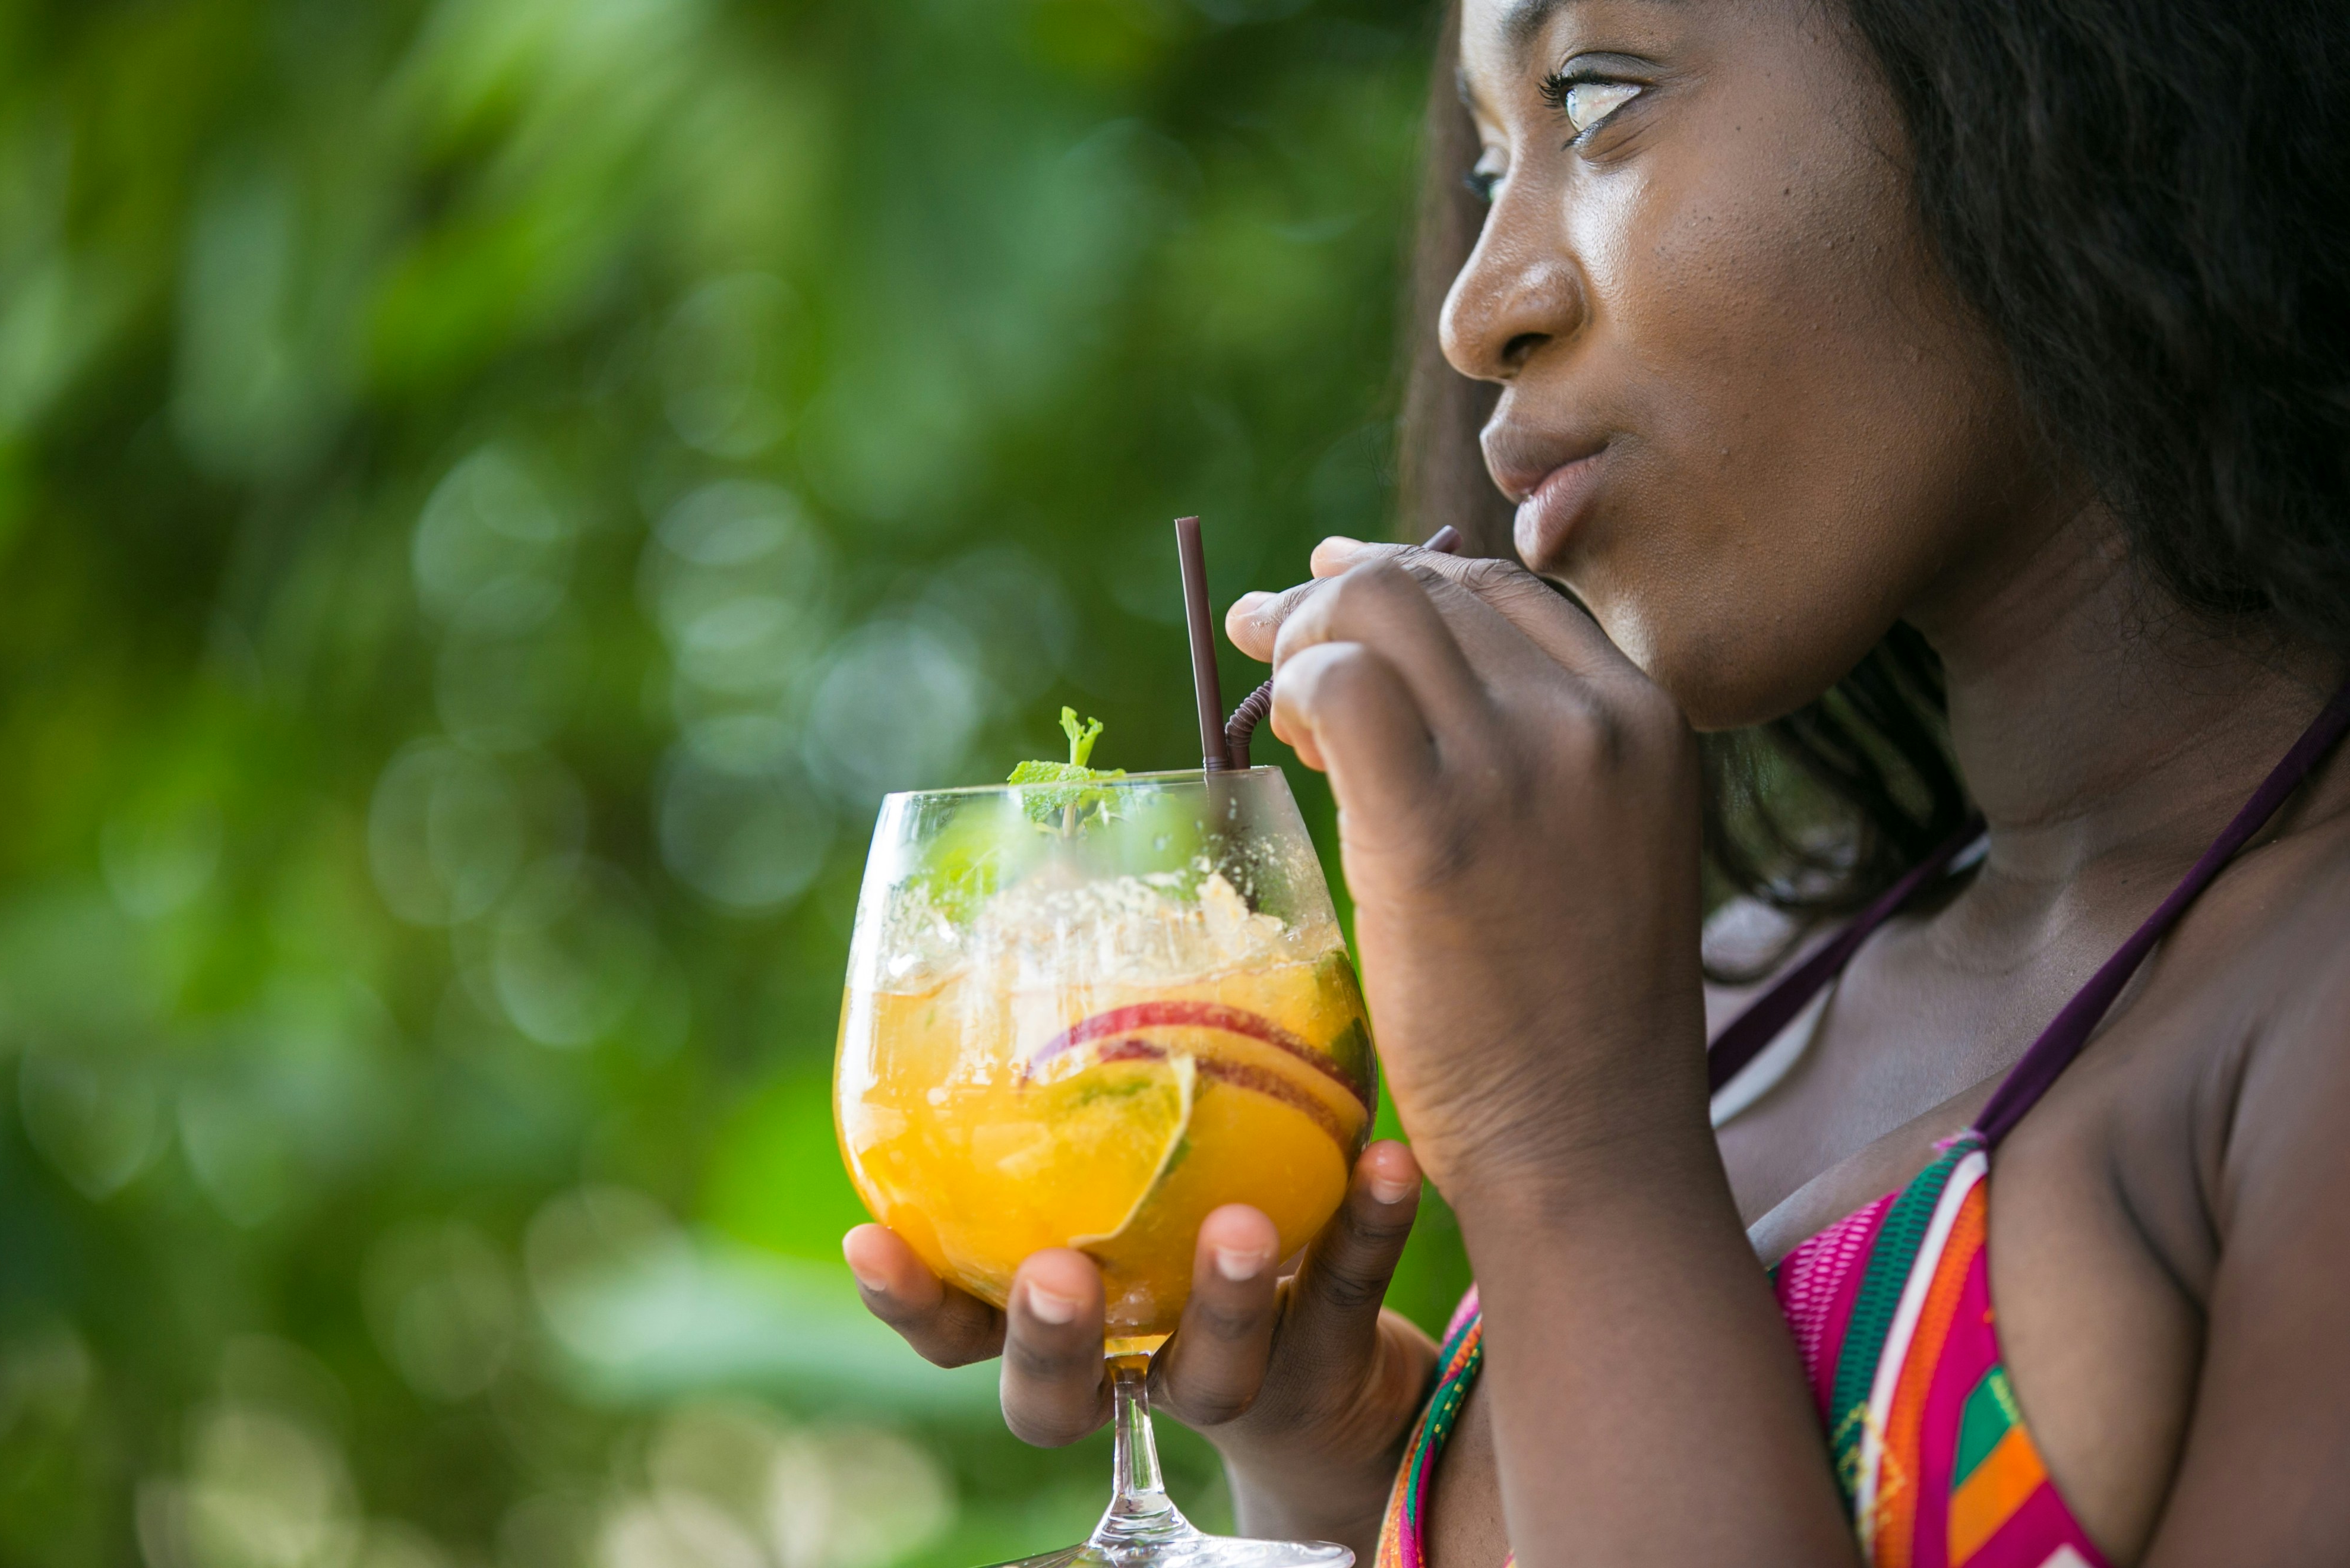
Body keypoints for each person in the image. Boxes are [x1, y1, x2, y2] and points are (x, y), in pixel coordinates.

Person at [842, 0, 2350, 1560]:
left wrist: (1570, 1151)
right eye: (1487, 171)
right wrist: (1343, 1465)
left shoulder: (2309, 1018)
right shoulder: (1726, 988)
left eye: (1594, 96)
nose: (1477, 311)